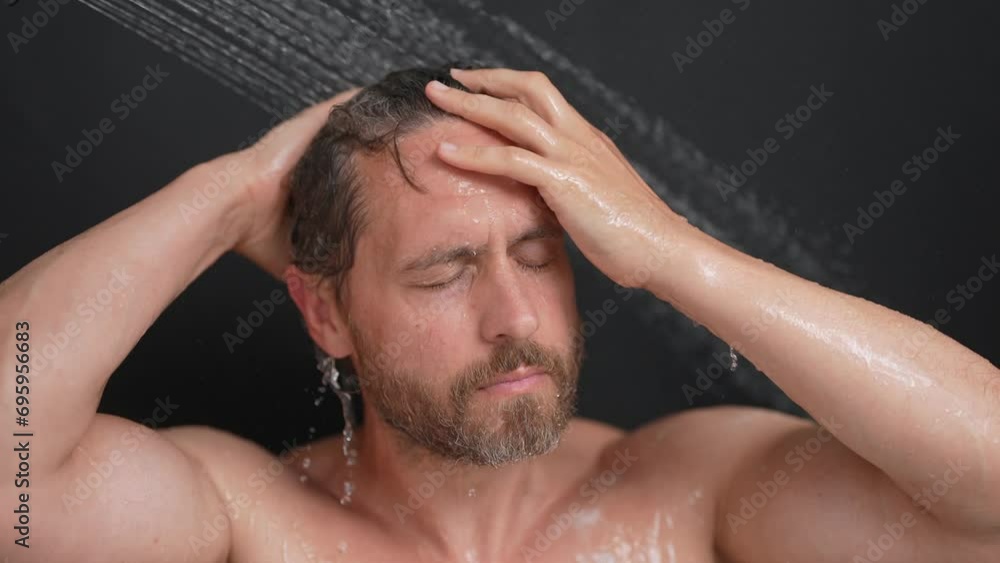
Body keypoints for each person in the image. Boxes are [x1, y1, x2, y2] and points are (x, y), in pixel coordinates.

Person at [1, 64, 997, 563]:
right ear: (326, 312)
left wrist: (667, 250)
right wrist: (225, 194)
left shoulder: (698, 488)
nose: (515, 316)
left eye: (543, 254)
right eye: (445, 272)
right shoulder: (249, 514)